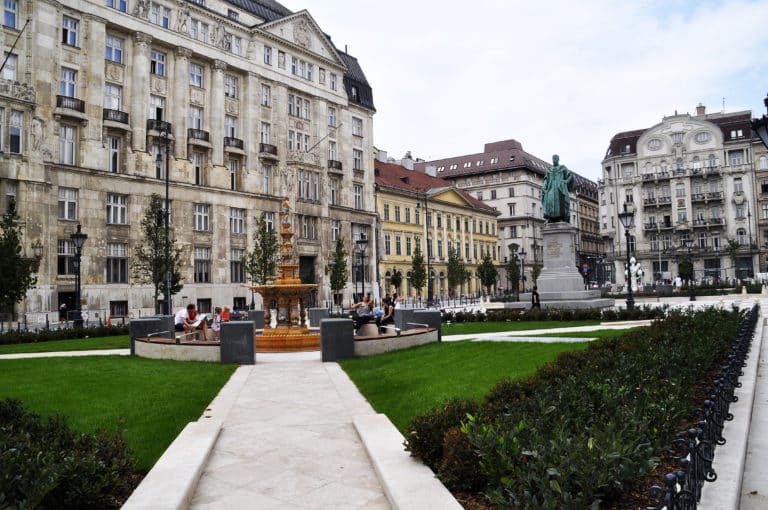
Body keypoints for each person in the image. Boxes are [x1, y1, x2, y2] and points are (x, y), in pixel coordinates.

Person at [542, 154, 574, 223]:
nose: (554, 160)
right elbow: (546, 179)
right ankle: (551, 218)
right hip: (551, 188)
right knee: (550, 202)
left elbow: (570, 175)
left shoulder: (562, 168)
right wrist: (544, 187)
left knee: (561, 202)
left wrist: (566, 181)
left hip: (560, 188)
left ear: (558, 159)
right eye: (553, 159)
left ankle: (561, 218)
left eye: (556, 159)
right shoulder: (549, 170)